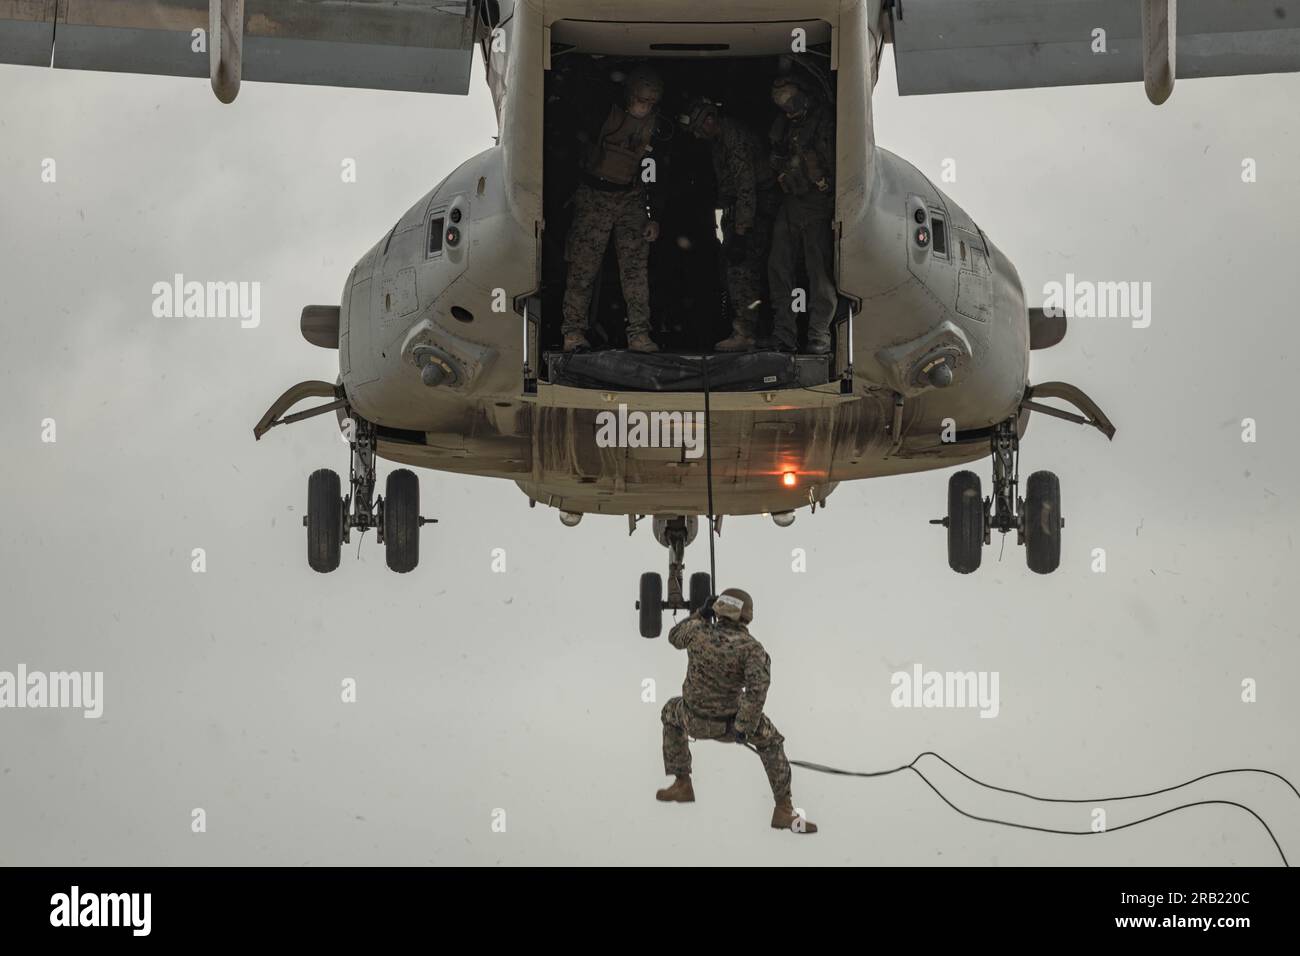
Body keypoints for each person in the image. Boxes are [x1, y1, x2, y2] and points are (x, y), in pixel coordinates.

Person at [657, 587, 818, 834]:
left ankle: (682, 781)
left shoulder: (697, 631)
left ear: (718, 610)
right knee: (772, 742)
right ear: (747, 616)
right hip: (729, 726)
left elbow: (674, 636)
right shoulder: (752, 648)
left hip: (693, 720)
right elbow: (757, 691)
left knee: (670, 711)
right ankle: (783, 809)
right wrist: (743, 728)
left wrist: (700, 613)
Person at [561, 65, 666, 354]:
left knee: (635, 272)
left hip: (630, 198)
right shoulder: (603, 115)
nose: (645, 107)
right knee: (582, 269)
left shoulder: (654, 127)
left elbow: (655, 172)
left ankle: (640, 335)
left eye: (651, 103)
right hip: (594, 195)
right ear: (630, 95)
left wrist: (653, 216)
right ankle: (573, 333)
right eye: (642, 100)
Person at [683, 98, 780, 352]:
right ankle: (752, 329)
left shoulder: (732, 136)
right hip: (740, 211)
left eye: (699, 126)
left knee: (742, 273)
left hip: (753, 213)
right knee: (737, 271)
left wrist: (741, 230)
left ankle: (745, 333)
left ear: (709, 119)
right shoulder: (720, 140)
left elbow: (745, 185)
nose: (698, 134)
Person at [767, 74, 837, 355]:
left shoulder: (825, 121)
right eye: (782, 103)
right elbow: (775, 156)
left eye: (792, 100)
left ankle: (819, 334)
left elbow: (837, 163)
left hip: (818, 203)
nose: (789, 107)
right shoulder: (784, 126)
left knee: (819, 272)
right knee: (778, 267)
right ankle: (784, 334)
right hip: (792, 201)